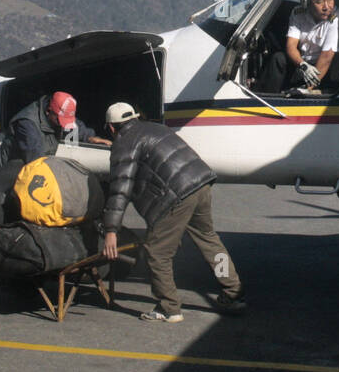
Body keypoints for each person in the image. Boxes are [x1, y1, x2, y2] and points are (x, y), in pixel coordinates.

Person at [100, 102, 245, 322]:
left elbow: (120, 187)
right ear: (135, 117)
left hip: (176, 196)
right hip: (200, 183)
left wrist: (111, 230)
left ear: (111, 128)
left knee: (157, 252)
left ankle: (168, 308)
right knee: (209, 241)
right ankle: (233, 292)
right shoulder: (156, 127)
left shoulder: (124, 142)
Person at [258, 0, 339, 96]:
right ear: (307, 2)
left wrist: (308, 89)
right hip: (302, 64)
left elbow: (327, 56)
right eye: (319, 2)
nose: (326, 6)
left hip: (323, 68)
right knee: (278, 58)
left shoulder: (336, 17)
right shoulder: (298, 13)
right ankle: (264, 99)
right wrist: (302, 65)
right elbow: (291, 45)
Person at [0, 91, 109, 170]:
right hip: (10, 170)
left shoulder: (57, 115)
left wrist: (90, 137)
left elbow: (74, 126)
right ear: (48, 111)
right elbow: (35, 161)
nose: (63, 125)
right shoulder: (27, 124)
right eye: (60, 120)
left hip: (33, 164)